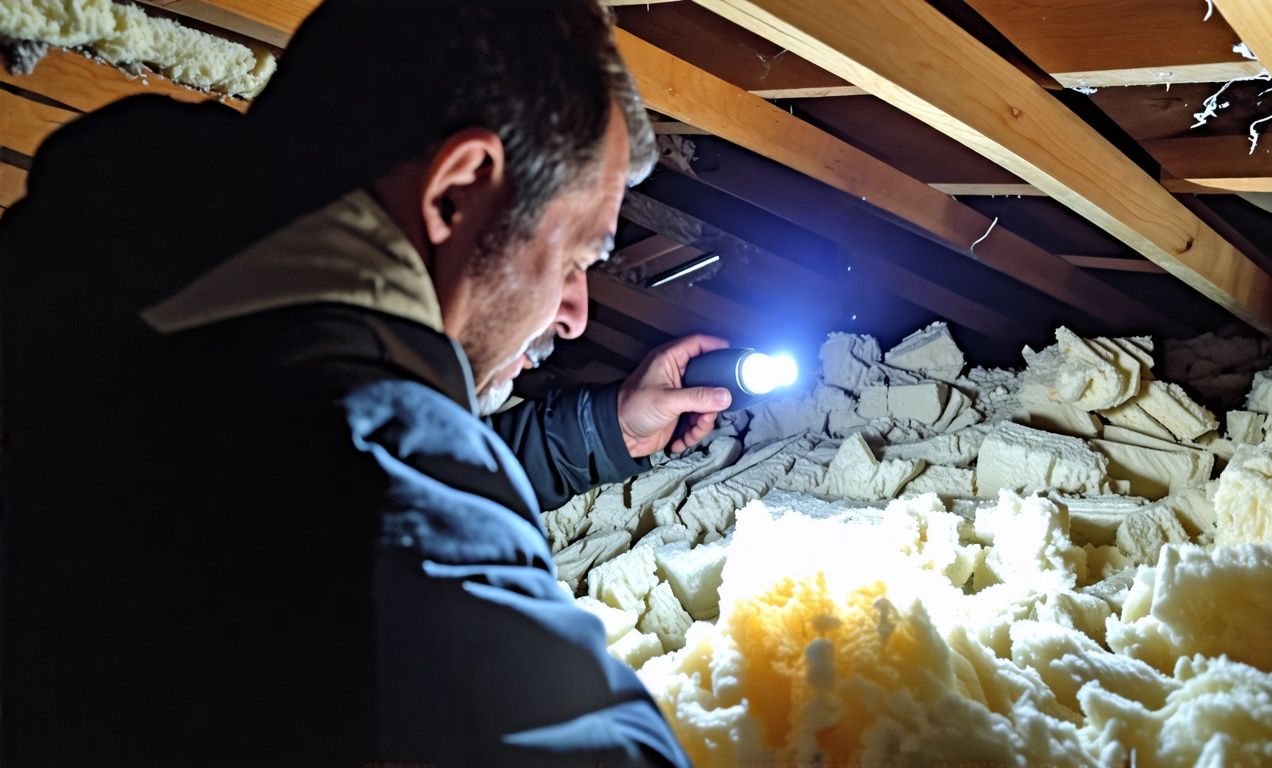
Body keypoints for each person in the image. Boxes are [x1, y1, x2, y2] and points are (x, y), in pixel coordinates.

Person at [0, 1, 728, 765]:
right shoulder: (358, 471)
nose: (575, 313)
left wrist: (602, 430)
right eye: (577, 254)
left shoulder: (136, 299)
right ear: (458, 191)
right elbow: (384, 489)